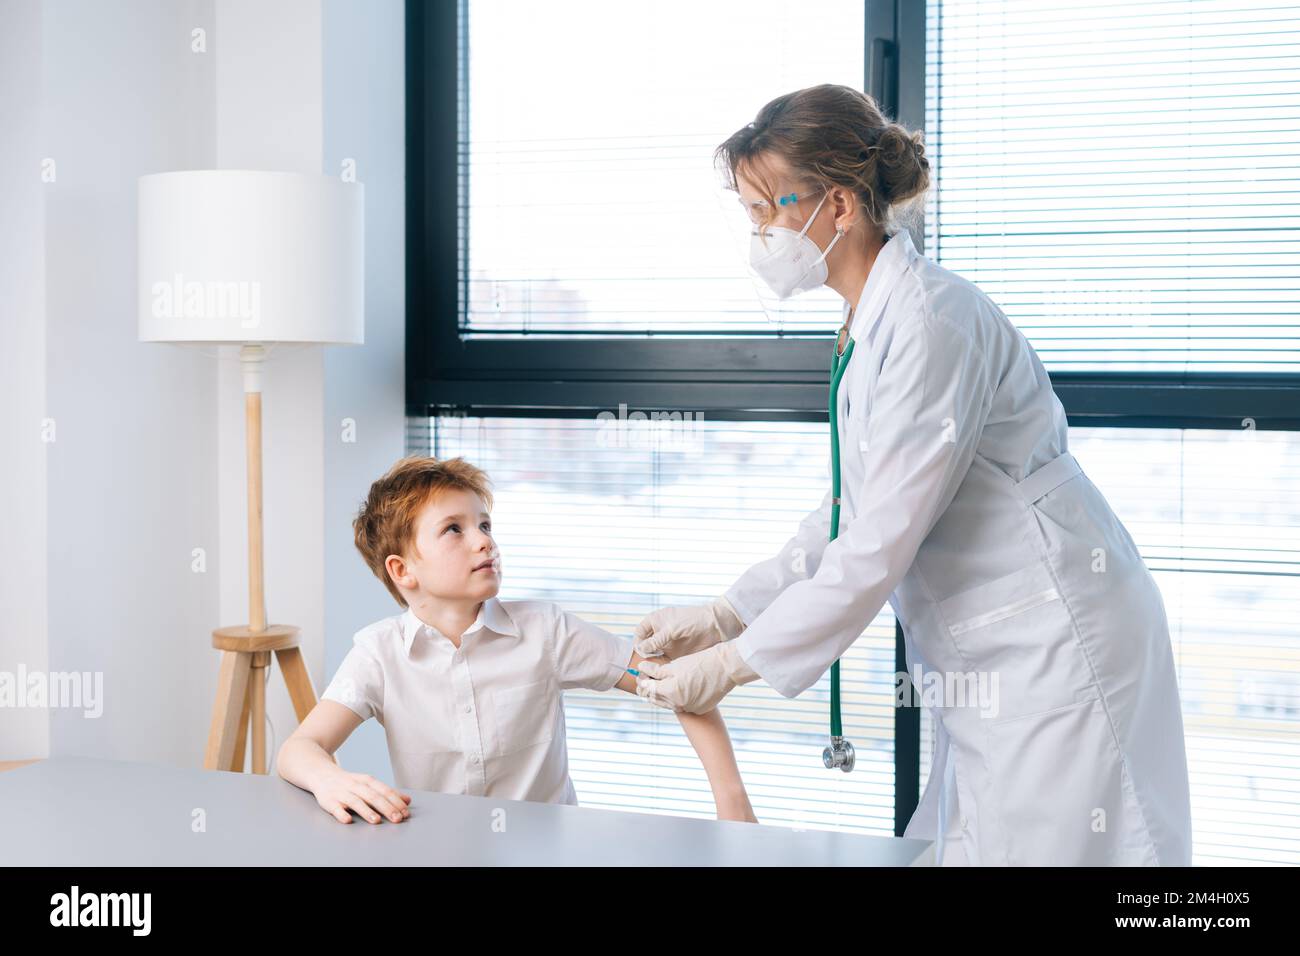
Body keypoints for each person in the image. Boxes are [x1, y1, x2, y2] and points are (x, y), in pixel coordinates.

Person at [632, 83, 1192, 866]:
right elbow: (847, 511)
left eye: (769, 209)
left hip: (1055, 639)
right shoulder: (873, 323)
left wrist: (735, 665)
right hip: (998, 649)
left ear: (837, 206)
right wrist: (727, 614)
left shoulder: (932, 322)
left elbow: (879, 542)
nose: (759, 233)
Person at [277, 455, 756, 824]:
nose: (484, 541)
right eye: (454, 530)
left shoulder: (546, 631)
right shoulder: (378, 654)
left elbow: (677, 684)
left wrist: (731, 801)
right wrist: (329, 781)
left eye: (484, 525)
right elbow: (299, 749)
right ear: (402, 571)